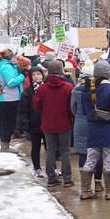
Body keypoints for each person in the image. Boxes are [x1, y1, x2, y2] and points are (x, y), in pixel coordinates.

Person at [79, 60, 110, 199]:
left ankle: (85, 190)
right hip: (108, 130)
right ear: (108, 74)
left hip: (92, 129)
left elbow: (85, 112)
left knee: (91, 158)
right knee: (108, 158)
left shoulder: (85, 89)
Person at [33, 58, 74, 187]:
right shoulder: (68, 87)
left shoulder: (42, 88)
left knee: (50, 150)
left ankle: (51, 178)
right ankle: (67, 179)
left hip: (48, 123)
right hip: (65, 123)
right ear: (61, 71)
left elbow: (36, 105)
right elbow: (72, 106)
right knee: (65, 151)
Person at [0, 47, 25, 152]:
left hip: (5, 98)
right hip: (9, 98)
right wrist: (21, 76)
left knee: (4, 123)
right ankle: (5, 146)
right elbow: (11, 82)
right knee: (8, 123)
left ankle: (5, 145)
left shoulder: (1, 65)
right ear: (10, 57)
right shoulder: (6, 67)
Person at [27, 64, 46, 176]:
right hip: (34, 123)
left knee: (50, 147)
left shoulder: (46, 88)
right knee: (36, 146)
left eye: (38, 74)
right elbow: (24, 109)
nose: (36, 77)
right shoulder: (28, 91)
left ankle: (52, 167)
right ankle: (37, 167)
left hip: (47, 122)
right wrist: (25, 124)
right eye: (33, 74)